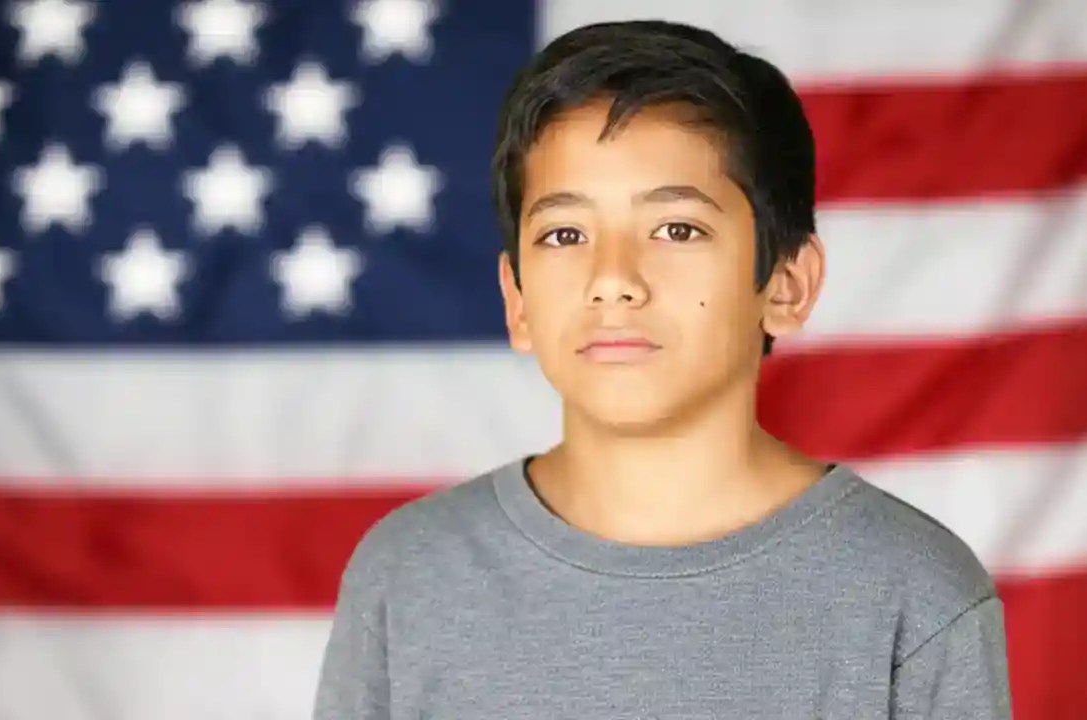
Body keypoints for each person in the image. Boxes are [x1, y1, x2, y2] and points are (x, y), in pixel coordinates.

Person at [312, 19, 1011, 719]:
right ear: (517, 300)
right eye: (565, 234)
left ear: (786, 285)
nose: (613, 279)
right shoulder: (408, 579)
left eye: (677, 229)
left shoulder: (915, 597)